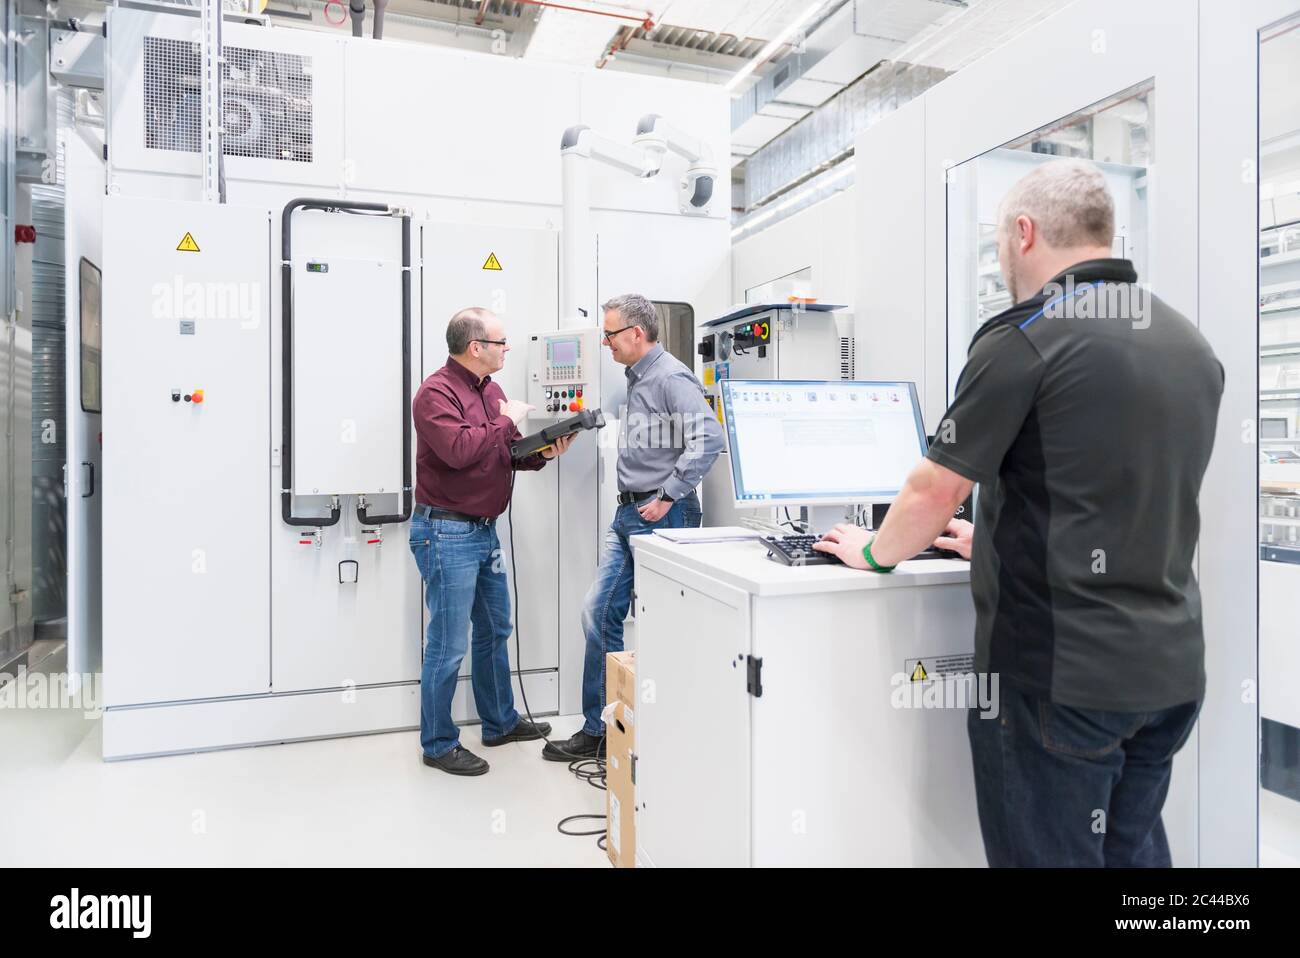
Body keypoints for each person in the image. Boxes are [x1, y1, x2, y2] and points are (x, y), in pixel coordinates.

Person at [814, 158, 1224, 866]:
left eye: (1000, 240)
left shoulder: (1027, 336)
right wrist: (1001, 539)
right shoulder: (1190, 344)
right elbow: (1120, 493)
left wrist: (876, 552)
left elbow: (932, 490)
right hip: (1171, 676)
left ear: (1024, 233)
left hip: (1060, 683)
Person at [543, 294, 725, 761]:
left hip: (663, 515)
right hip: (629, 515)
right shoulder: (637, 379)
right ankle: (602, 730)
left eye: (609, 334)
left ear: (636, 334)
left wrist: (668, 496)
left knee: (666, 624)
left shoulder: (669, 376)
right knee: (597, 613)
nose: (604, 342)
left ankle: (674, 730)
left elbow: (708, 437)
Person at [410, 307, 575, 776]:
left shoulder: (493, 392)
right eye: (502, 342)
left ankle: (500, 722)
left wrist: (542, 450)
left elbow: (502, 451)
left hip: (484, 531)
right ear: (476, 347)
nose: (507, 349)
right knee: (448, 642)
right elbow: (461, 451)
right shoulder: (434, 394)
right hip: (445, 532)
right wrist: (506, 423)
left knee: (495, 629)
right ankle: (438, 743)